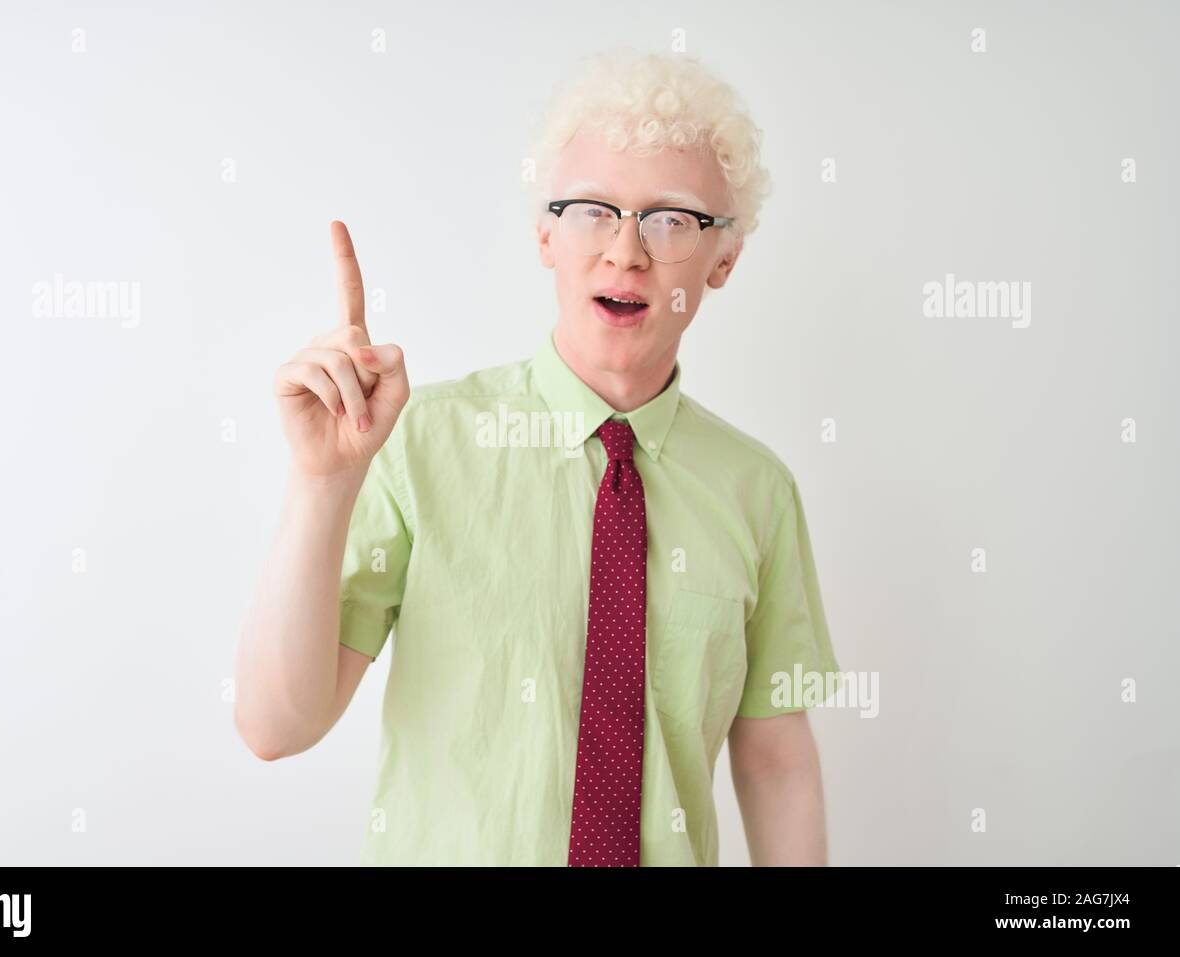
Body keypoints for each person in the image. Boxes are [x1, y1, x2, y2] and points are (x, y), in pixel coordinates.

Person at [233, 49, 840, 866]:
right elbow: (276, 726)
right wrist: (320, 482)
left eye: (671, 219)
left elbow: (775, 759)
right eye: (594, 209)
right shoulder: (418, 440)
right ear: (546, 235)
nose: (626, 251)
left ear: (723, 259)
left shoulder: (757, 490)